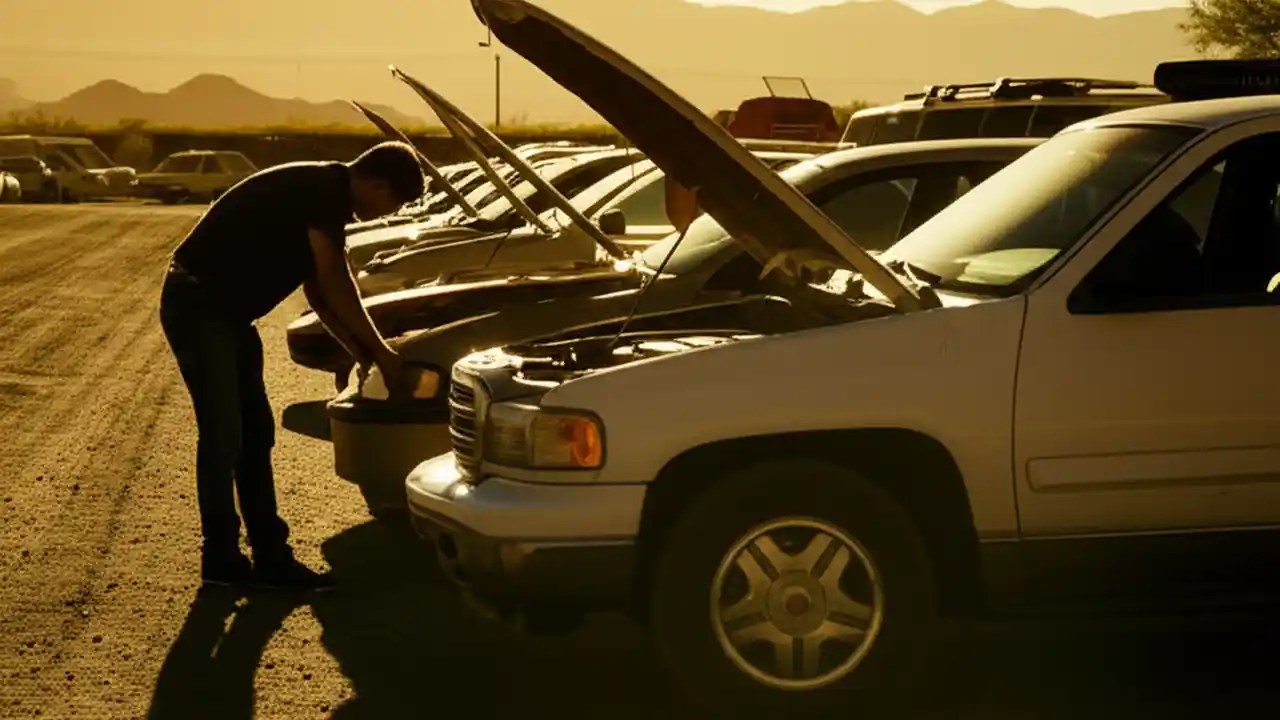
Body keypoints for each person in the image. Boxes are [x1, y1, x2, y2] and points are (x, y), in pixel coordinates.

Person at [159, 141, 425, 593]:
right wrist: (381, 353)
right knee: (225, 433)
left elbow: (320, 294)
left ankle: (270, 558)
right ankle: (221, 558)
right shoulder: (324, 190)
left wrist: (359, 355)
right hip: (198, 304)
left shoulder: (326, 193)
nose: (385, 214)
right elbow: (334, 280)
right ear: (377, 184)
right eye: (392, 203)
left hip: (226, 313)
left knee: (255, 433)